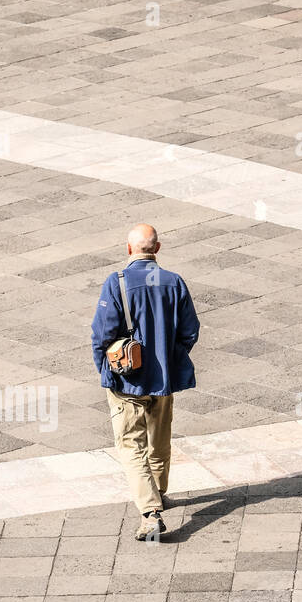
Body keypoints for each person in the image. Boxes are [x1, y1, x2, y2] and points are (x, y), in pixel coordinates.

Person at [90, 224, 200, 541]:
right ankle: (159, 492)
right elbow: (190, 331)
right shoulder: (173, 282)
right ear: (158, 248)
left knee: (130, 445)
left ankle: (150, 513)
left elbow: (102, 334)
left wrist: (107, 370)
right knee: (159, 440)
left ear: (129, 249)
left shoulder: (117, 283)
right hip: (163, 380)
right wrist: (169, 359)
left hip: (127, 381)